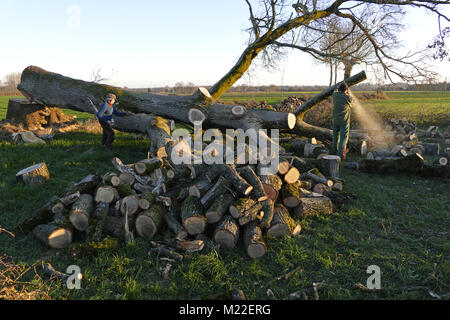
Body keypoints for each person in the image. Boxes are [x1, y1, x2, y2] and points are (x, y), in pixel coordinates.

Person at [332, 81, 353, 160]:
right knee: (343, 138)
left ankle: (334, 151)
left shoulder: (335, 95)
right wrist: (349, 92)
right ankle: (340, 155)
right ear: (346, 90)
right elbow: (352, 101)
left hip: (335, 120)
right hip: (344, 121)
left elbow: (334, 91)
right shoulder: (348, 97)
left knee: (335, 137)